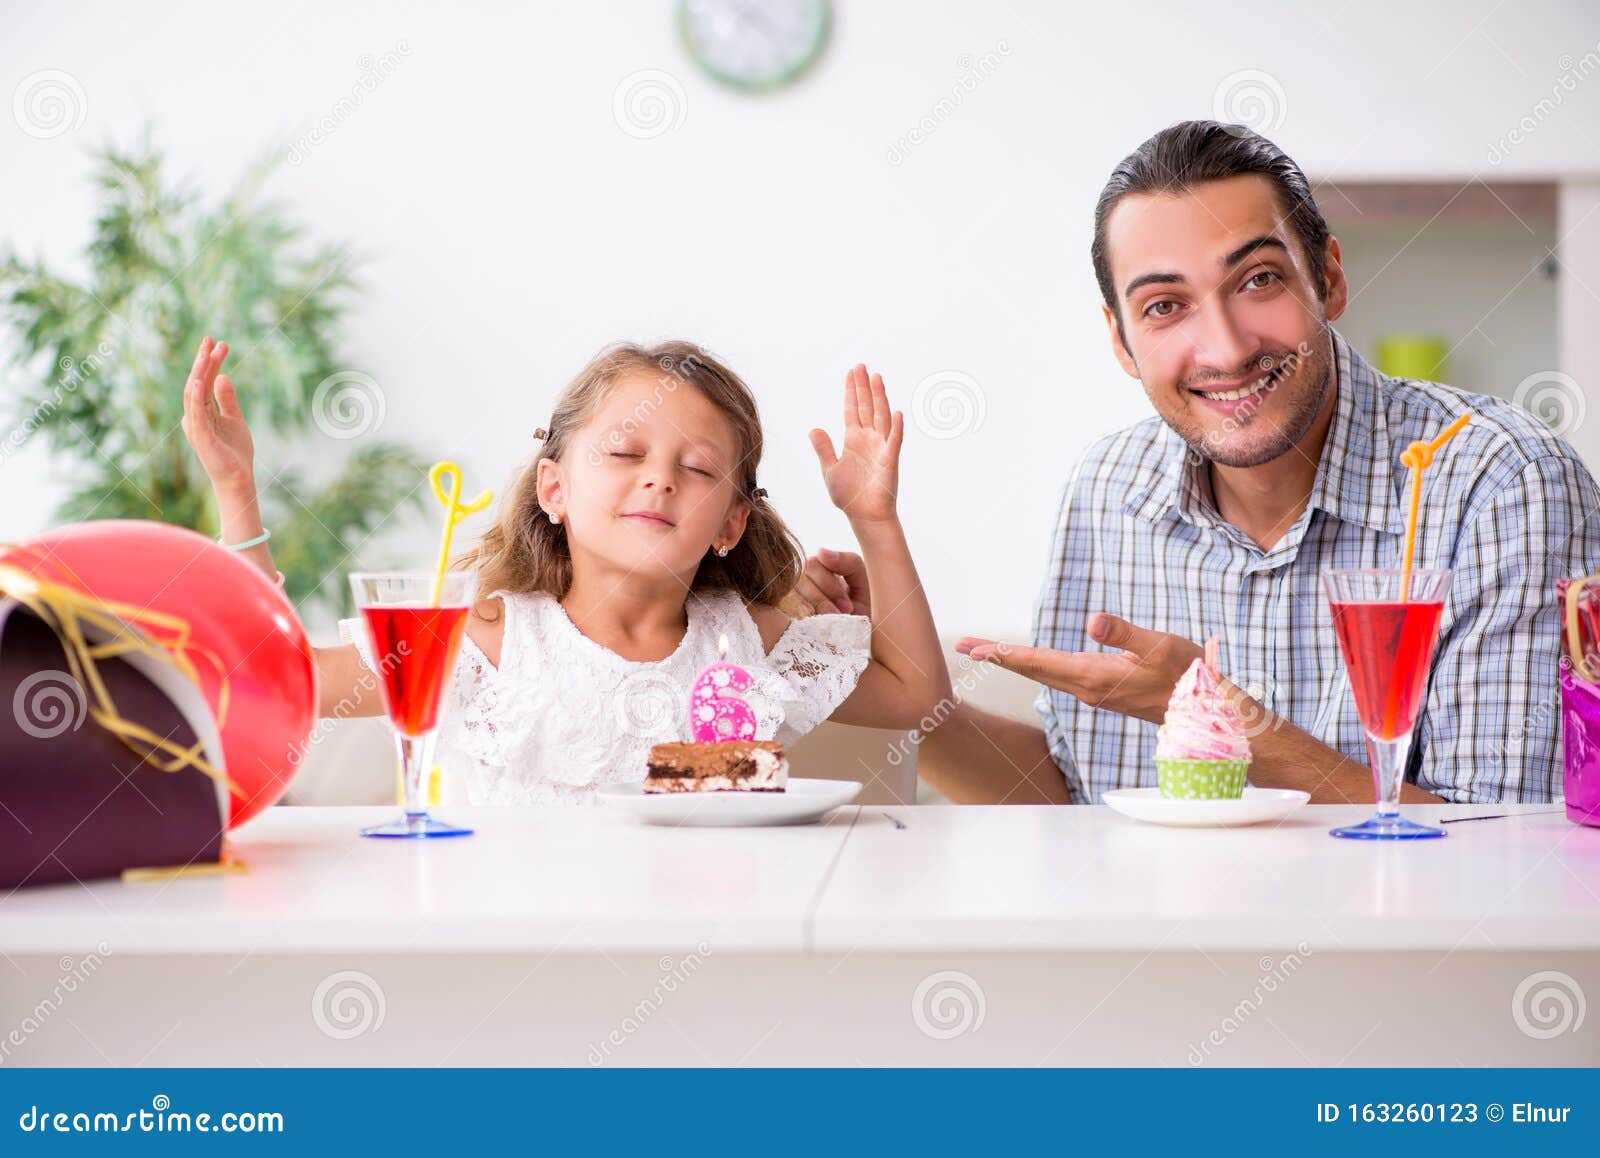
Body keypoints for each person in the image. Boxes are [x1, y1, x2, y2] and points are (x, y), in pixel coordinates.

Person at [788, 120, 1600, 805]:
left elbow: (1503, 859)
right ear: (1120, 341)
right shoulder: (1109, 490)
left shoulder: (1502, 486)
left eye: (1257, 280)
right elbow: (1074, 799)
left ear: (1330, 277)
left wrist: (1222, 719)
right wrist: (897, 690)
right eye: (1166, 306)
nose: (1225, 346)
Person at [181, 337, 950, 804]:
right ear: (555, 488)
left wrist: (873, 520)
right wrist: (237, 494)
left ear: (731, 524)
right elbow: (279, 678)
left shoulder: (751, 641)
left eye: (697, 467)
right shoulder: (482, 643)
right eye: (623, 454)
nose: (659, 479)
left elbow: (919, 698)